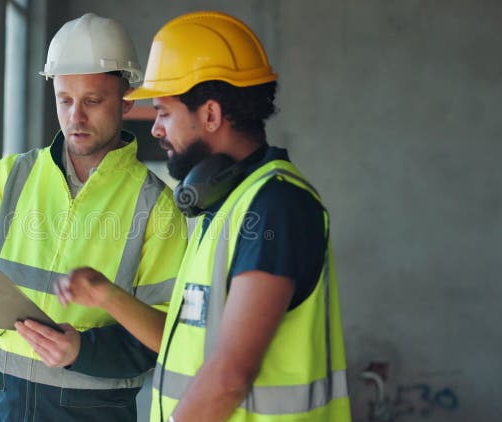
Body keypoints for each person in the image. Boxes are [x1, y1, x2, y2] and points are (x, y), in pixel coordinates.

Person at [55, 11, 351, 421]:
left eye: (163, 112)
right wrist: (106, 295)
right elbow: (185, 344)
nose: (156, 129)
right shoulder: (227, 206)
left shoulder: (276, 207)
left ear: (210, 115)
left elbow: (230, 375)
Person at [0, 13, 187, 422]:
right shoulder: (9, 177)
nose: (75, 117)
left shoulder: (157, 207)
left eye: (93, 101)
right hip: (1, 404)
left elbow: (164, 337)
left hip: (92, 414)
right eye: (65, 99)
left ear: (126, 101)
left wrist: (83, 351)